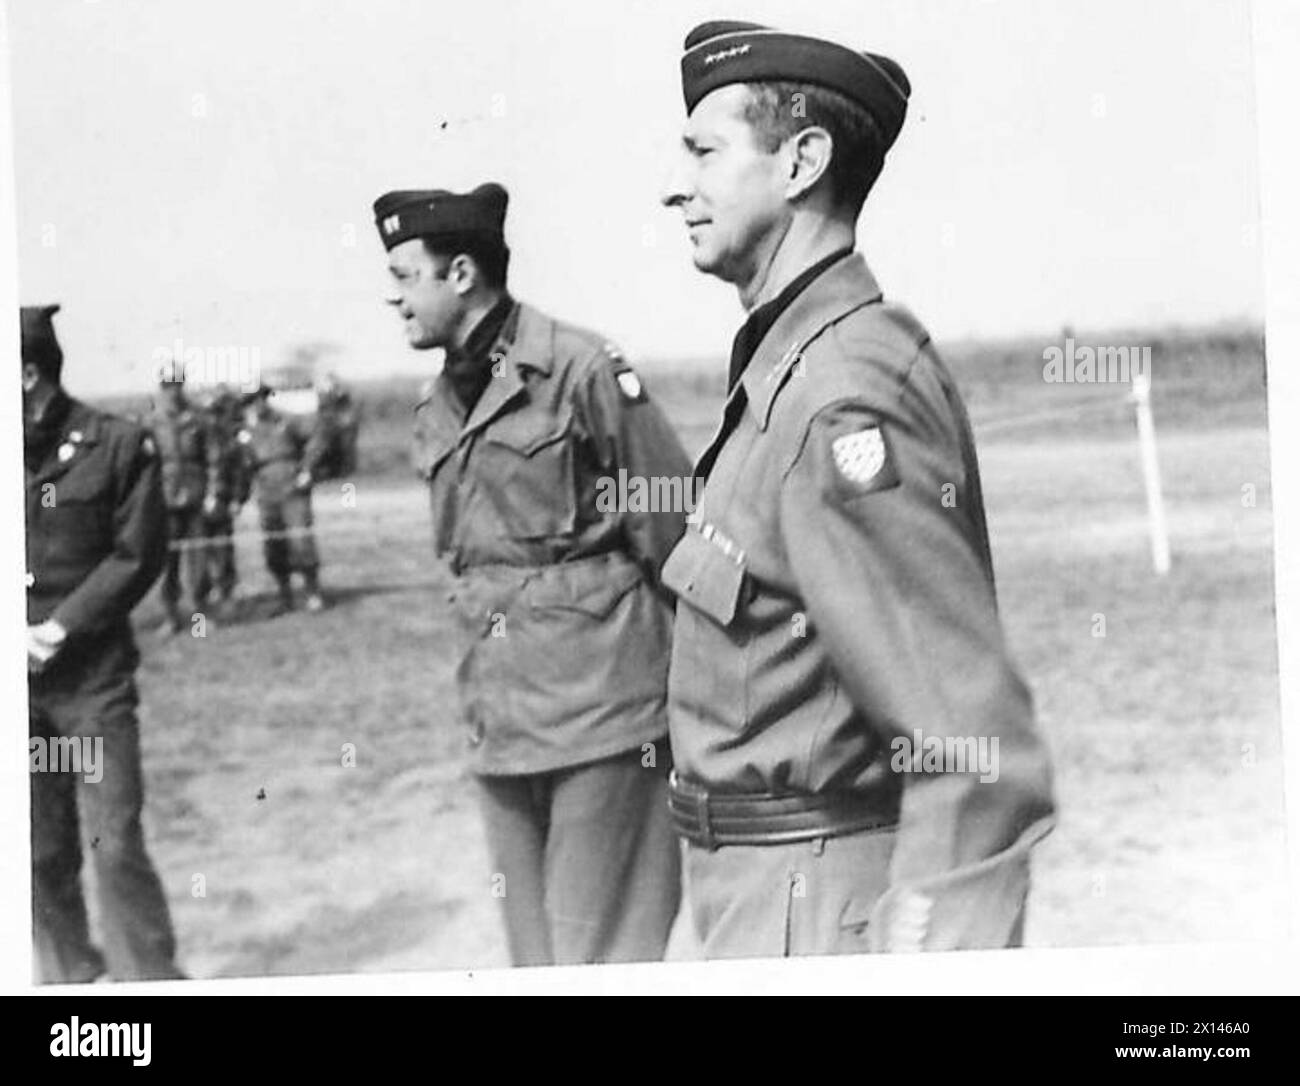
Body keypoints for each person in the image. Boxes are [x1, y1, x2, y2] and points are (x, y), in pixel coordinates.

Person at [657, 21, 1056, 957]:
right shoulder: (791, 372)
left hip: (817, 909)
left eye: (706, 153)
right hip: (757, 894)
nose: (677, 185)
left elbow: (973, 754)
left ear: (801, 162)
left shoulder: (845, 393)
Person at [373, 182, 691, 966]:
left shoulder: (581, 370)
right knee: (534, 960)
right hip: (502, 723)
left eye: (405, 275)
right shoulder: (435, 404)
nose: (392, 297)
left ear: (461, 275)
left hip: (603, 713)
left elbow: (675, 524)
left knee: (603, 953)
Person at [23, 303, 184, 982]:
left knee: (112, 840)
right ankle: (69, 979)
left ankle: (146, 979)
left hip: (93, 683)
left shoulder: (117, 445)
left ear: (28, 375)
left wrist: (60, 627)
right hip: (19, 691)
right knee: (34, 850)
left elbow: (138, 553)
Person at [237, 384, 327, 614]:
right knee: (274, 544)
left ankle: (312, 592)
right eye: (250, 400)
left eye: (260, 398)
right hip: (266, 490)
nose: (256, 404)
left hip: (292, 486)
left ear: (266, 398)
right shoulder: (245, 432)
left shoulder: (287, 421)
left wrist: (307, 469)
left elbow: (318, 435)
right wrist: (239, 497)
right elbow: (242, 465)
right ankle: (284, 594)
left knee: (301, 539)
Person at [147, 371, 222, 633]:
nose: (173, 391)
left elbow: (213, 459)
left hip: (195, 495)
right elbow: (145, 464)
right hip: (164, 498)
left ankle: (200, 615)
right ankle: (170, 616)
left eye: (177, 385)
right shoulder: (152, 421)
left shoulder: (198, 420)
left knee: (199, 560)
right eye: (168, 385)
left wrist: (213, 493)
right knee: (167, 561)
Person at [195, 384, 251, 616]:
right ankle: (205, 598)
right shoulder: (197, 435)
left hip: (222, 499)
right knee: (200, 551)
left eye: (217, 411)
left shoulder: (231, 440)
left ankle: (226, 593)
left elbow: (239, 471)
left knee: (222, 549)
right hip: (197, 500)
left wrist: (238, 498)